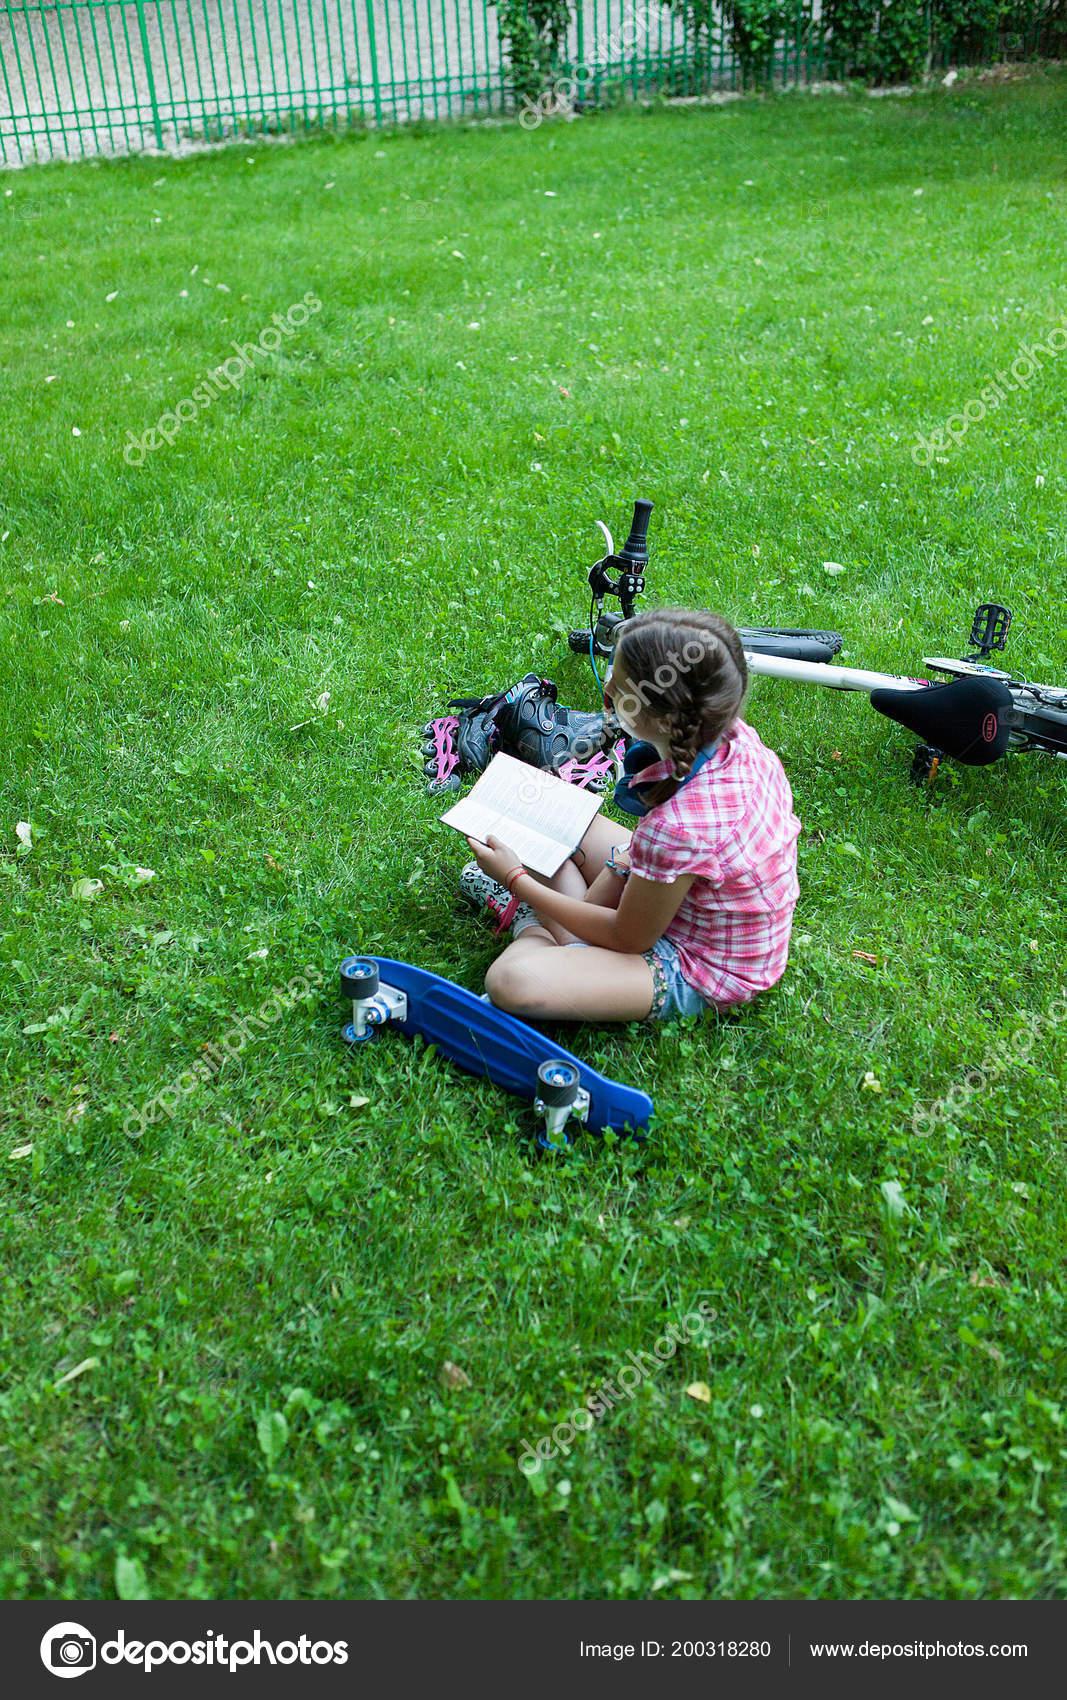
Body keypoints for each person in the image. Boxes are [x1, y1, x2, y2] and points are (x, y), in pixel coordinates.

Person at [462, 609, 801, 1024]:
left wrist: (515, 879)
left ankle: (529, 919)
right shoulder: (733, 737)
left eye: (618, 690)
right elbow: (660, 847)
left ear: (663, 717)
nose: (606, 688)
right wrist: (620, 866)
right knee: (550, 816)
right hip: (681, 895)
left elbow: (626, 936)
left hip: (699, 963)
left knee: (512, 982)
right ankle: (561, 921)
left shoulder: (677, 827)